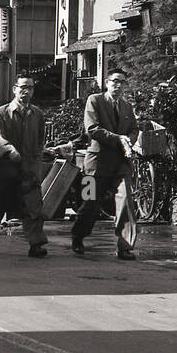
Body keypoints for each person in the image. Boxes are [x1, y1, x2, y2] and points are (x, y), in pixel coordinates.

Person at [72, 69, 140, 260]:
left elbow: (134, 129)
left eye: (122, 82)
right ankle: (78, 235)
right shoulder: (95, 100)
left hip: (121, 163)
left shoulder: (126, 106)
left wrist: (128, 139)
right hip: (95, 163)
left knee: (126, 201)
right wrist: (118, 139)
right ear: (106, 82)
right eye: (115, 81)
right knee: (89, 202)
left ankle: (125, 246)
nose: (118, 86)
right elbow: (92, 129)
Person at [0, 75, 50, 257]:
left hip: (28, 167)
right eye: (23, 87)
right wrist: (9, 150)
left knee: (33, 206)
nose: (26, 91)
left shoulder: (37, 115)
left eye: (31, 88)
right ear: (14, 89)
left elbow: (40, 142)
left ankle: (36, 244)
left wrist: (37, 164)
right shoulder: (1, 113)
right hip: (3, 168)